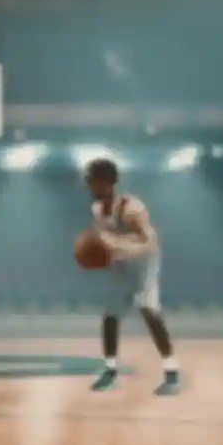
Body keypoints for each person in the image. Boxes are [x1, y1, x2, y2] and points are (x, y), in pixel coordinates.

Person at [82, 158, 181, 395]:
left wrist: (116, 246)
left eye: (92, 181)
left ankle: (172, 373)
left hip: (144, 263)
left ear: (106, 182)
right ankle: (110, 370)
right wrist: (102, 254)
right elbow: (105, 238)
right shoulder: (97, 209)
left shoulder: (132, 207)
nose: (89, 186)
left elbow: (146, 240)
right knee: (110, 317)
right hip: (121, 263)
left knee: (149, 312)